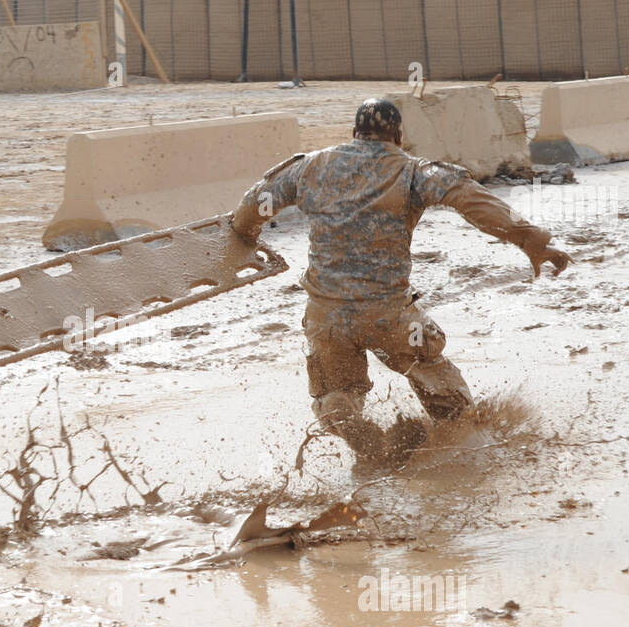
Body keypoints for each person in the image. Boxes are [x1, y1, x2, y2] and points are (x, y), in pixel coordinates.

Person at [227, 98, 572, 458]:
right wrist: (530, 240)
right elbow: (470, 199)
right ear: (399, 136)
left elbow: (254, 203)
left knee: (335, 395)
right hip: (389, 315)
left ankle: (358, 434)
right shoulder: (413, 172)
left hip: (326, 315)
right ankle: (460, 454)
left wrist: (246, 234)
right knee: (440, 384)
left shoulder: (310, 167)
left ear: (353, 134)